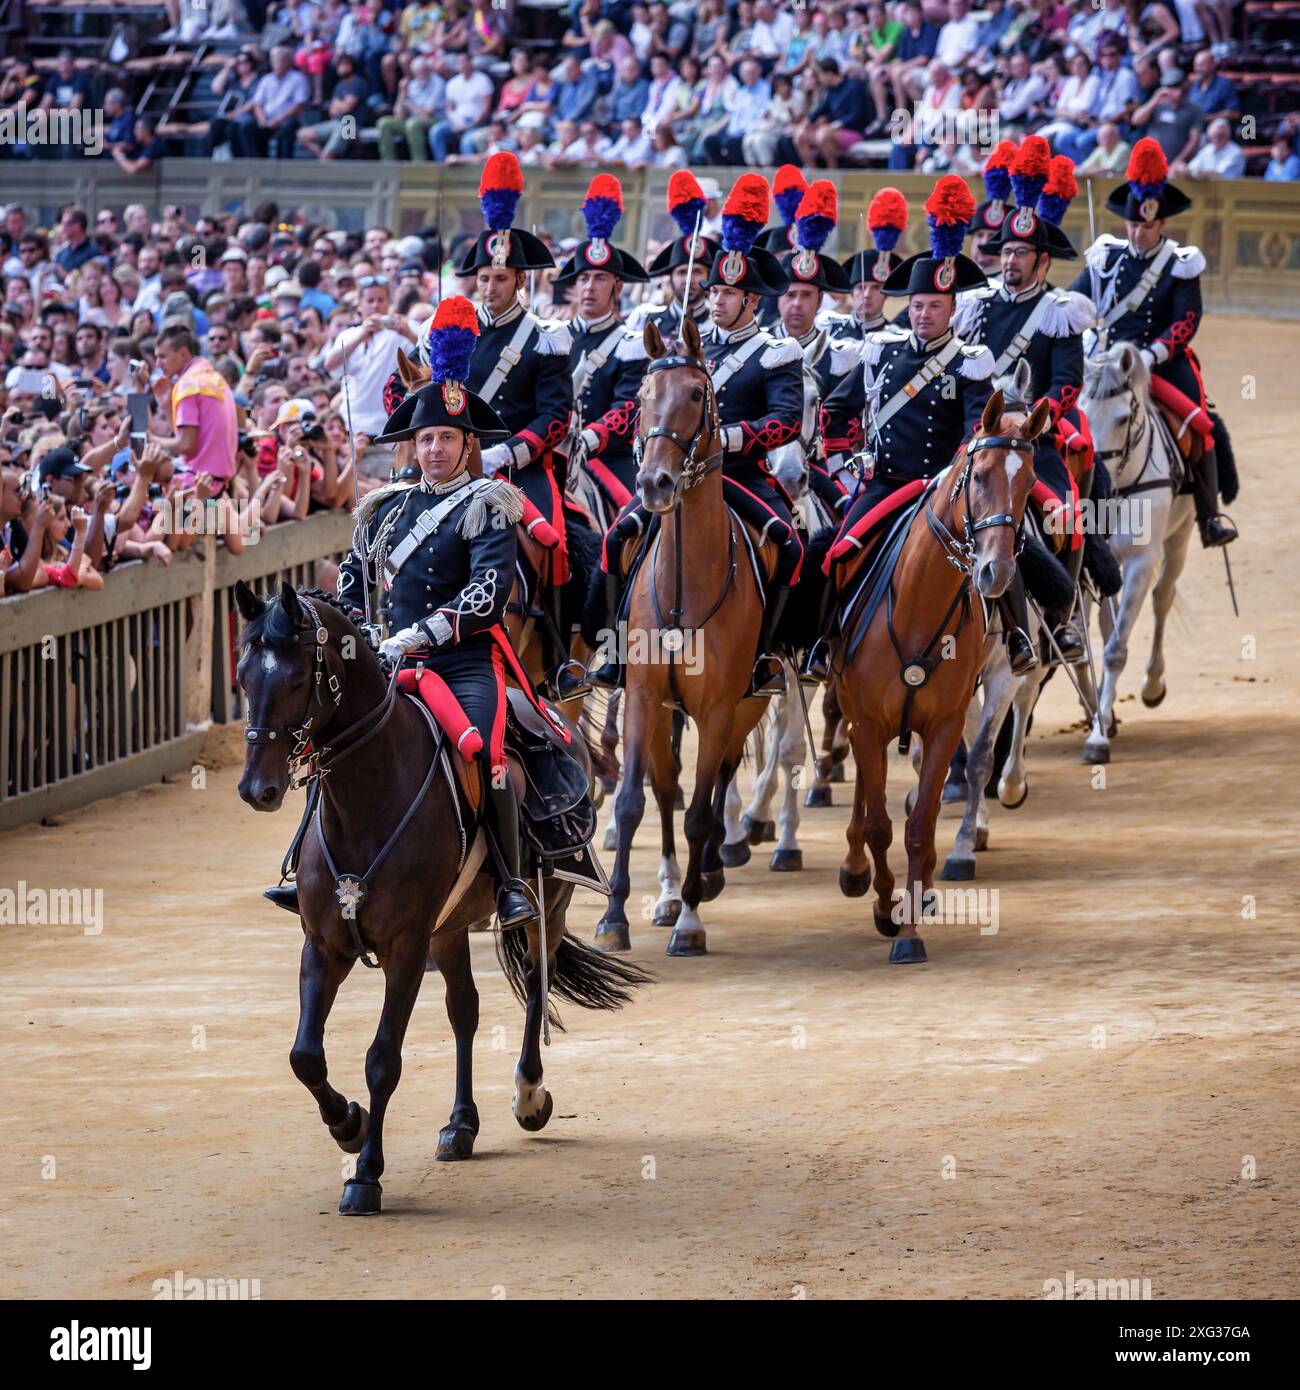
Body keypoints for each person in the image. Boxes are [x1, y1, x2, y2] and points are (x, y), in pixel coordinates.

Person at [322, 296, 543, 929]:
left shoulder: (491, 503)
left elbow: (486, 595)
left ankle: (508, 881)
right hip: (387, 662)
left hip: (463, 662)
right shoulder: (381, 508)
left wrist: (418, 634)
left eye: (447, 438)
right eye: (426, 439)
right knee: (329, 744)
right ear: (413, 444)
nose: (436, 449)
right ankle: (312, 868)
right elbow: (352, 578)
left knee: (487, 753)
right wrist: (360, 630)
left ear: (468, 443)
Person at [595, 173, 804, 697]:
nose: (717, 301)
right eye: (714, 292)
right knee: (616, 537)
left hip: (741, 477)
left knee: (792, 546)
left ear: (752, 301)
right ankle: (614, 653)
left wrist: (727, 440)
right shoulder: (686, 347)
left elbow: (785, 421)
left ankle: (769, 656)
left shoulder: (776, 352)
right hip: (677, 477)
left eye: (729, 294)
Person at [813, 175, 995, 681]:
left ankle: (1017, 635)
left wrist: (955, 473)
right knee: (838, 552)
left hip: (944, 490)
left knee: (1003, 555)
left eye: (935, 306)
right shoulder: (882, 352)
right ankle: (821, 645)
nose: (923, 314)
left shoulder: (971, 362)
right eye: (917, 306)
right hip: (888, 484)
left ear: (953, 309)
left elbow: (979, 426)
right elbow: (836, 411)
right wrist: (840, 466)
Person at [956, 143, 1096, 671]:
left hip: (1033, 438)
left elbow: (1067, 384)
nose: (1009, 260)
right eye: (1006, 251)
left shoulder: (1061, 313)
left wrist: (1033, 420)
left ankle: (1064, 619)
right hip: (977, 431)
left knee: (1068, 515)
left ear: (1042, 259)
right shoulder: (975, 305)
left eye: (1020, 253)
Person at [1070, 137, 1235, 547]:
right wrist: (1083, 329)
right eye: (1133, 226)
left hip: (1160, 361)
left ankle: (1208, 516)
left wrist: (1150, 354)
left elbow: (1186, 321)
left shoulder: (1180, 263)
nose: (1139, 234)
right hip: (1103, 360)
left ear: (1162, 224)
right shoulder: (1105, 257)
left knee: (1201, 423)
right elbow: (1075, 304)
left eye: (1147, 227)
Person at [448, 154, 573, 573]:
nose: (489, 288)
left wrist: (506, 453)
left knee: (556, 550)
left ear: (520, 280)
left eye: (500, 279)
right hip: (449, 462)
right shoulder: (452, 329)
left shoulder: (545, 337)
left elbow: (555, 418)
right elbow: (402, 387)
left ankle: (562, 629)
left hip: (518, 468)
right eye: (483, 278)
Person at [553, 175, 651, 522]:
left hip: (606, 457)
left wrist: (591, 438)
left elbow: (629, 406)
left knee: (634, 522)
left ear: (617, 286)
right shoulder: (553, 336)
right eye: (584, 278)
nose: (590, 287)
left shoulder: (631, 344)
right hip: (552, 453)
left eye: (601, 278)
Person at [625, 170, 720, 339]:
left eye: (697, 271)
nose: (688, 279)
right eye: (681, 272)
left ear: (709, 277)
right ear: (669, 277)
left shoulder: (719, 327)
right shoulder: (644, 318)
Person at [839, 186, 910, 342]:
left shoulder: (897, 339)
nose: (867, 295)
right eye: (861, 287)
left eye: (876, 288)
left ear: (886, 295)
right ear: (851, 292)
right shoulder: (829, 332)